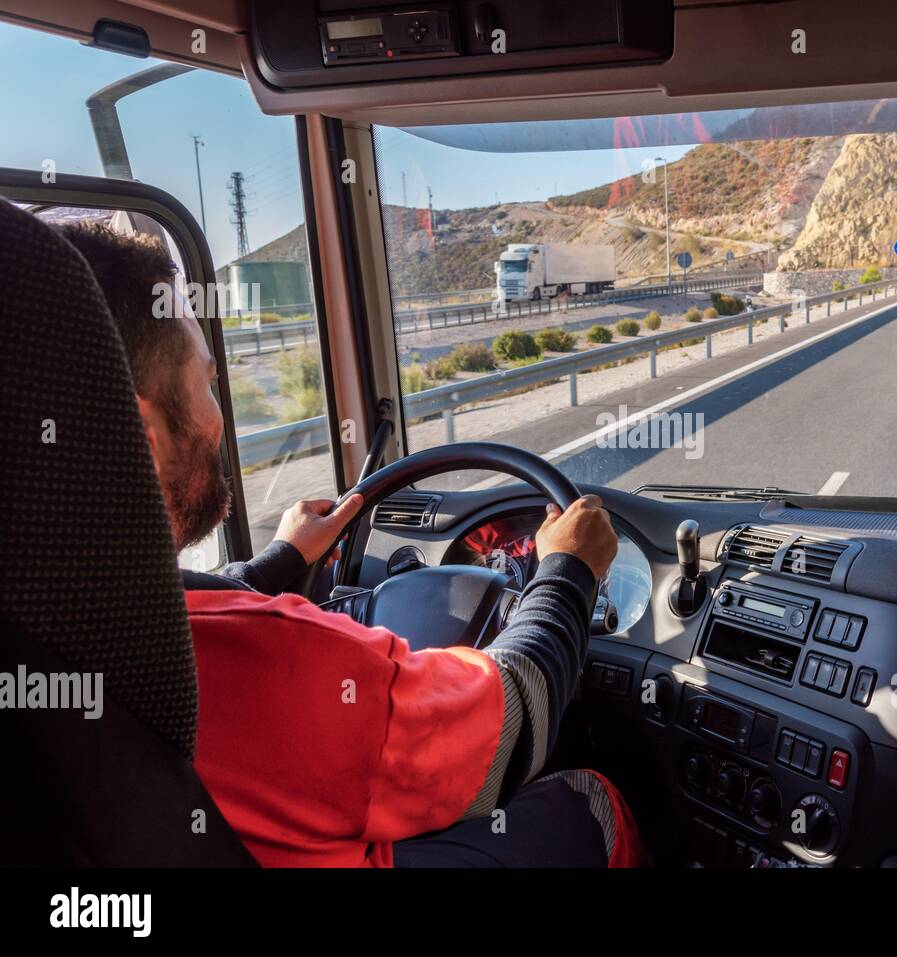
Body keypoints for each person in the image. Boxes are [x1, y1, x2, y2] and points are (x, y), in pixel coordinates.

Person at [59, 223, 642, 868]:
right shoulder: (272, 659)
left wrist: (282, 561)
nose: (220, 414)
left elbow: (192, 605)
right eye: (204, 384)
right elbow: (513, 726)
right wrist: (566, 571)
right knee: (594, 798)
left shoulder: (57, 629)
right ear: (144, 438)